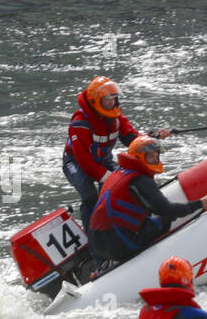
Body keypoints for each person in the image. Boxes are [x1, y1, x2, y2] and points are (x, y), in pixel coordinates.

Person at [88, 135, 207, 265]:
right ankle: (158, 261)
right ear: (138, 158)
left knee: (149, 216)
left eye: (156, 157)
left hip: (97, 244)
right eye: (151, 157)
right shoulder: (140, 180)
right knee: (165, 220)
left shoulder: (118, 173)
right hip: (119, 246)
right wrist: (200, 204)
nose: (155, 161)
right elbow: (167, 210)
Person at [63, 76, 172, 220]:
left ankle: (125, 221)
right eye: (107, 99)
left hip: (104, 160)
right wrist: (112, 178)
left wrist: (154, 137)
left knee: (131, 183)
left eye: (114, 98)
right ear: (96, 101)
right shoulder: (80, 124)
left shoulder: (116, 118)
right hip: (77, 164)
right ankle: (93, 236)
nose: (112, 102)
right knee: (90, 197)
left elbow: (132, 139)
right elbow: (86, 164)